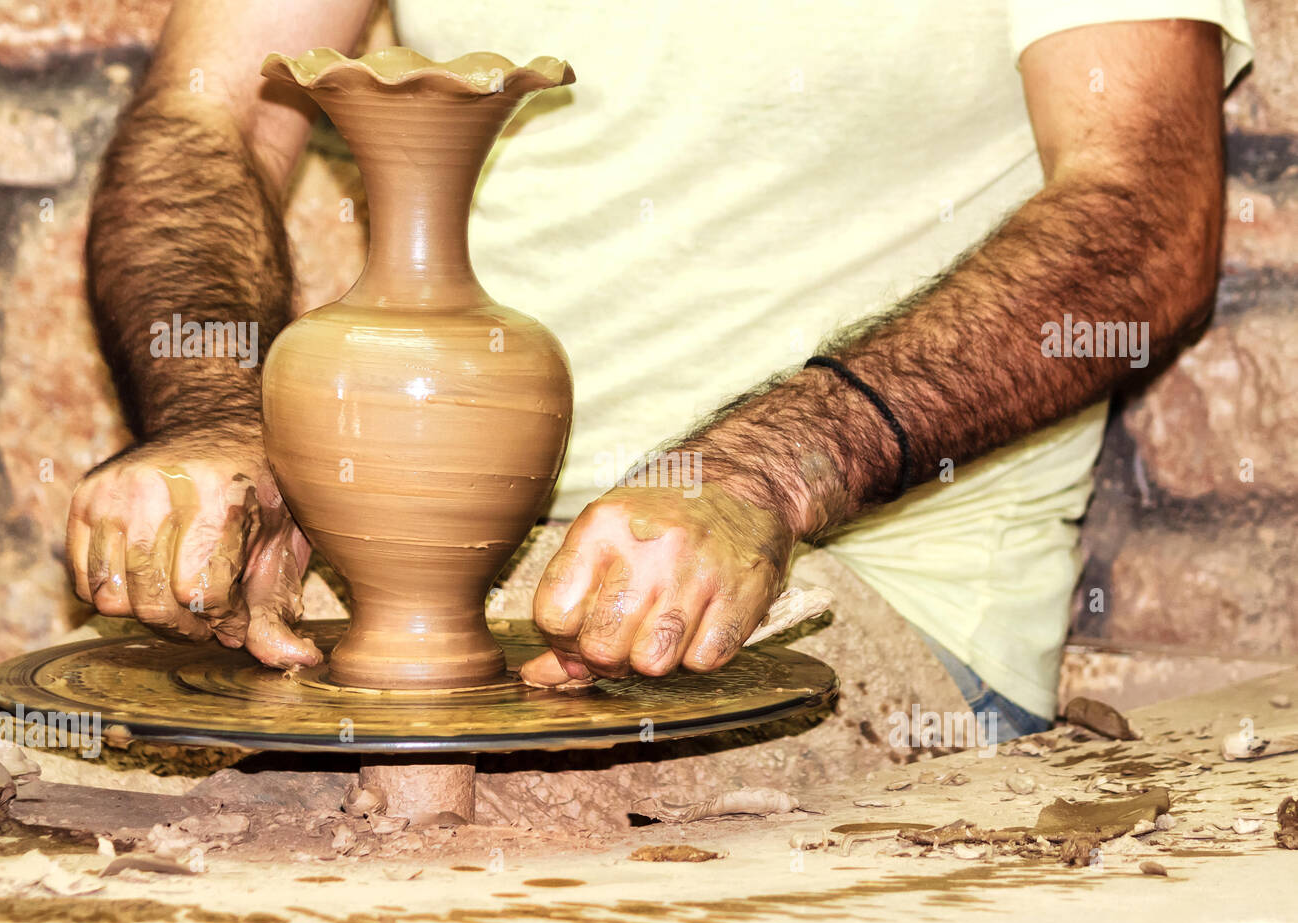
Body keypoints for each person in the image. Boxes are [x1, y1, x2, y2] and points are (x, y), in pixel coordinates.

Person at [69, 0, 1253, 740]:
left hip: (847, 574)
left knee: (489, 851)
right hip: (413, 578)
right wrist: (219, 417)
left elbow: (1141, 209)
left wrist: (768, 472)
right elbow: (204, 119)